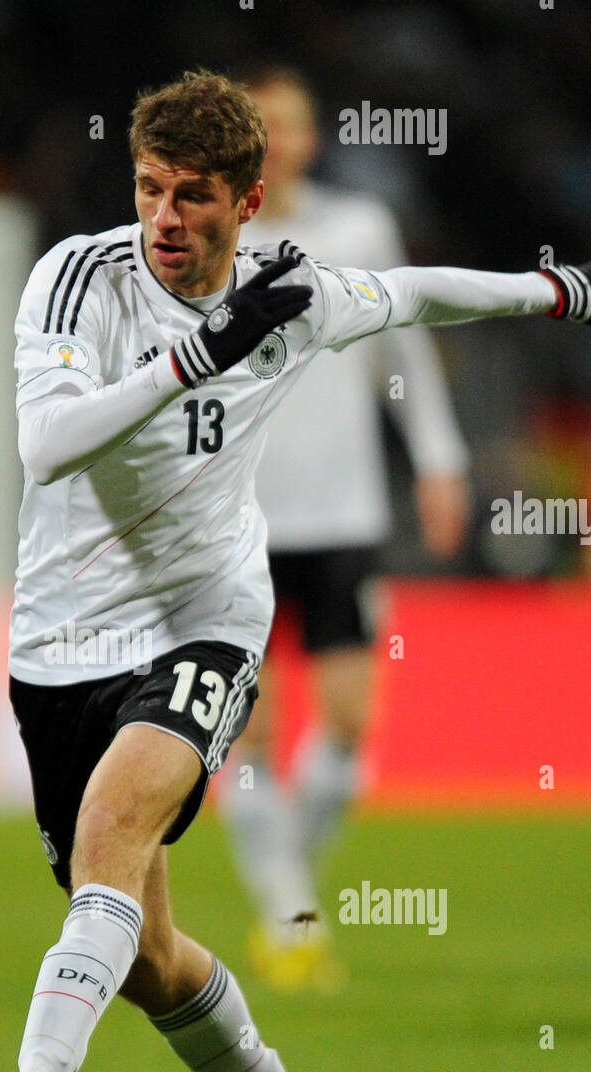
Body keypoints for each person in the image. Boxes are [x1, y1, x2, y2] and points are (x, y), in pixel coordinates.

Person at [0, 69, 591, 1072]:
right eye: (147, 190)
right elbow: (46, 445)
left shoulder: (297, 294)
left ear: (249, 198)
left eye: (192, 196)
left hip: (206, 624)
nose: (165, 220)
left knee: (109, 842)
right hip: (58, 643)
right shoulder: (77, 278)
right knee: (147, 954)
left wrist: (562, 290)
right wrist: (200, 349)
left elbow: (416, 295)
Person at [218, 69, 472, 993]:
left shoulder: (359, 230)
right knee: (248, 729)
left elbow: (403, 357)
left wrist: (438, 460)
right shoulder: (212, 236)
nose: (280, 140)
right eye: (263, 126)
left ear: (312, 136)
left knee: (352, 718)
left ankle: (288, 887)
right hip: (234, 518)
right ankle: (288, 917)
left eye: (292, 123)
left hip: (346, 513)